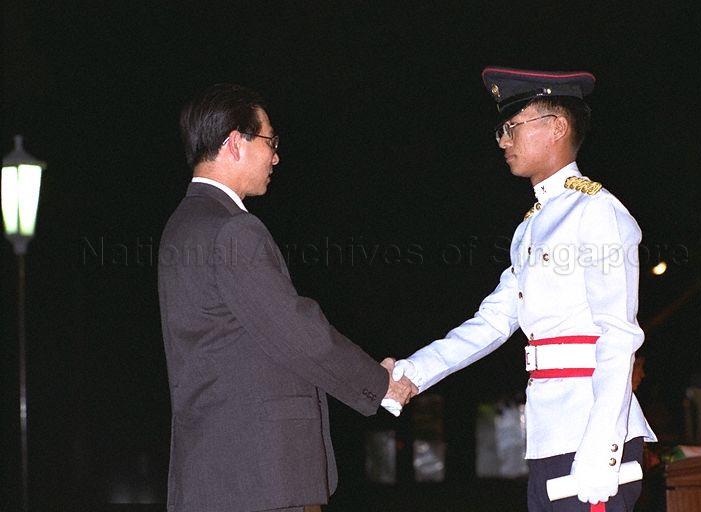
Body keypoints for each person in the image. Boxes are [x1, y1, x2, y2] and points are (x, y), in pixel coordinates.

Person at [392, 68, 656, 511]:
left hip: (591, 436)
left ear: (557, 127)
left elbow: (619, 335)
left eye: (512, 127)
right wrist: (411, 374)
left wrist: (602, 446)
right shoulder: (531, 227)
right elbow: (493, 321)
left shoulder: (597, 212)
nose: (502, 140)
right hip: (549, 435)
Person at [157, 83, 416, 512]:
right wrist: (379, 383)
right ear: (235, 143)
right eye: (269, 141)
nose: (275, 156)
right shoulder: (233, 230)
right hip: (261, 478)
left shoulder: (182, 225)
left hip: (213, 475)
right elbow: (297, 332)